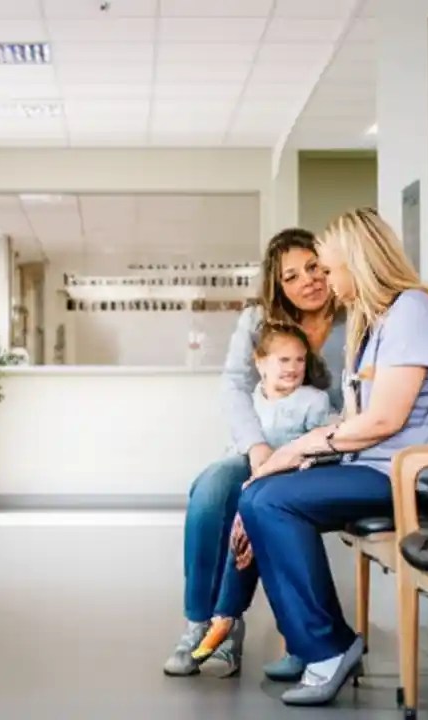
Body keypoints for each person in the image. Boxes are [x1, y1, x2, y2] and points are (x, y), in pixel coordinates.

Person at [234, 207, 428, 706]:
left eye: (327, 266)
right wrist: (276, 465)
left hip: (422, 478)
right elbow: (354, 420)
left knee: (273, 502)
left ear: (356, 262)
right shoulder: (379, 321)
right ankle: (309, 645)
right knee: (261, 496)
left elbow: (383, 420)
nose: (324, 279)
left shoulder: (414, 309)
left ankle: (327, 648)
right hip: (381, 467)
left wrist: (297, 449)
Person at [164, 228, 346, 679]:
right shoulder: (257, 320)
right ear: (276, 285)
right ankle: (200, 625)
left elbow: (359, 402)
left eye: (314, 267)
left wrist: (309, 449)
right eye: (292, 275)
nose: (308, 280)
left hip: (319, 454)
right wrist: (258, 449)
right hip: (259, 447)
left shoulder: (353, 315)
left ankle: (240, 627)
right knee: (211, 490)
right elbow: (234, 387)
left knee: (264, 505)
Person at [187, 321, 334, 663]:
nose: (294, 368)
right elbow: (237, 447)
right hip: (252, 474)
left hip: (289, 476)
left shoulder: (314, 400)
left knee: (253, 524)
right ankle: (208, 620)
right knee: (220, 503)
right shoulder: (250, 402)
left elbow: (316, 449)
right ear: (260, 362)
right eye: (284, 360)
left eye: (300, 361)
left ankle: (226, 617)